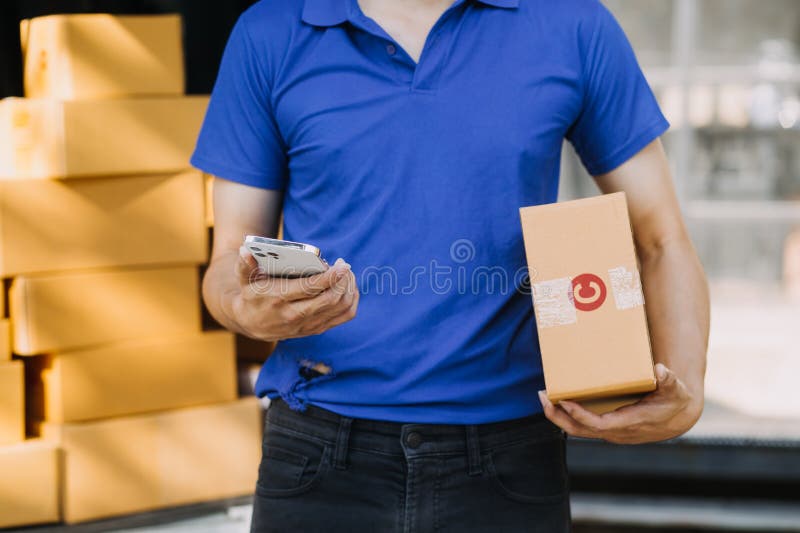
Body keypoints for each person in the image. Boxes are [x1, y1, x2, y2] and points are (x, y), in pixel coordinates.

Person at [192, 0, 710, 530]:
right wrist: (244, 308)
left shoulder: (571, 24)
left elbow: (660, 238)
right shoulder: (271, 31)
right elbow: (228, 263)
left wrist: (686, 393)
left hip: (509, 455)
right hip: (317, 451)